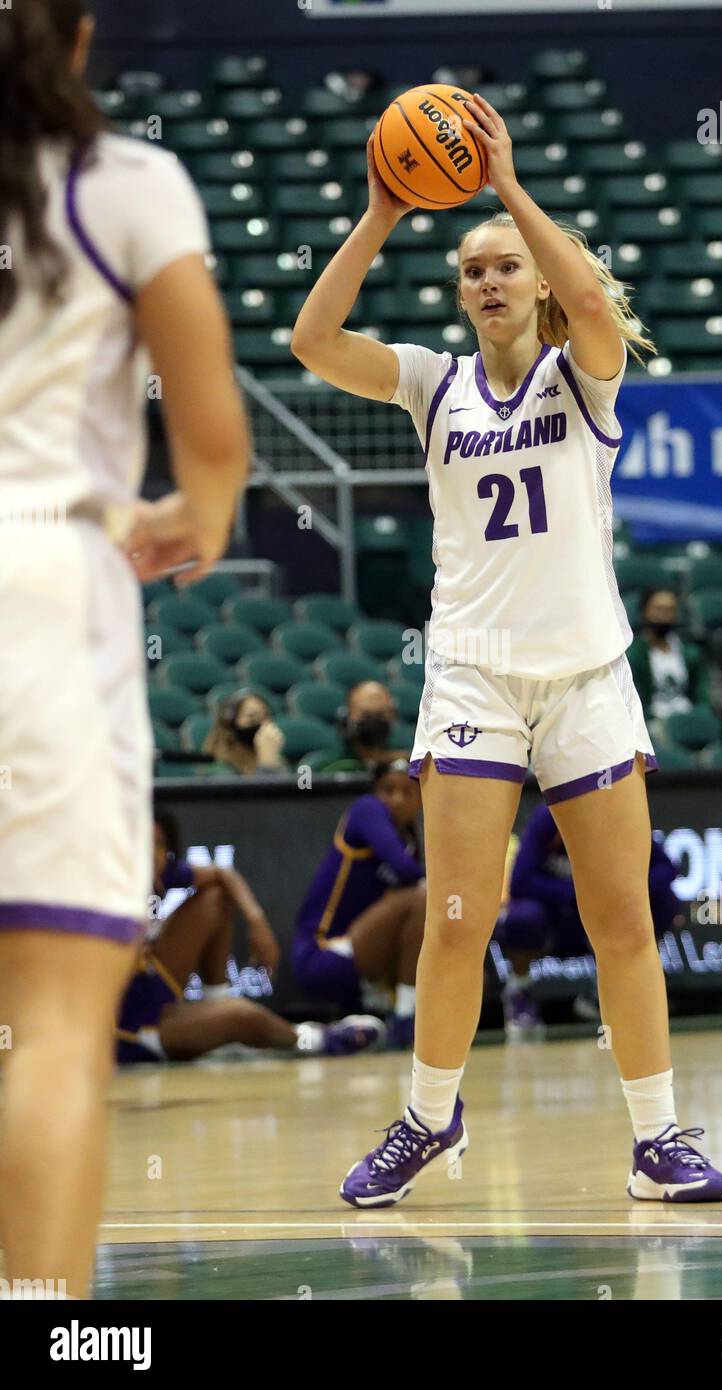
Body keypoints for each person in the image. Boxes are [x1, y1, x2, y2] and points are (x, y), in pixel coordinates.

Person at [292, 92, 722, 1208]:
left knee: (622, 918)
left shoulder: (584, 371)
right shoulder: (436, 385)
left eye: (504, 266)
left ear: (534, 280)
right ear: (460, 297)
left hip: (585, 672)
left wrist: (508, 189)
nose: (489, 281)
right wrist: (385, 211)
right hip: (476, 673)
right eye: (472, 271)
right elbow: (312, 342)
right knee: (457, 918)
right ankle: (428, 1119)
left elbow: (591, 295)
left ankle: (657, 1137)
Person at [0, 0, 249, 1297]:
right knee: (50, 1024)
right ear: (83, 38)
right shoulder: (129, 180)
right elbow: (212, 438)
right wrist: (188, 524)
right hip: (42, 568)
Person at [115, 813, 383, 1063]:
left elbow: (222, 874)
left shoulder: (160, 875)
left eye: (159, 844)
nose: (152, 853)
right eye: (143, 844)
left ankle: (216, 1014)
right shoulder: (109, 887)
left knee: (216, 898)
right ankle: (314, 1039)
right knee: (241, 1015)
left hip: (148, 990)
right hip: (133, 1030)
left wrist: (257, 921)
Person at [496, 804, 684, 1037]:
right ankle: (519, 991)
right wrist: (580, 891)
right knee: (522, 918)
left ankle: (610, 990)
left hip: (604, 919)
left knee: (664, 902)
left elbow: (667, 868)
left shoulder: (613, 811)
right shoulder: (551, 814)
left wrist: (625, 892)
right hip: (557, 918)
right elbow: (520, 882)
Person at [292, 759, 425, 1048]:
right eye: (388, 790)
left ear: (421, 798)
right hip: (321, 953)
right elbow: (404, 871)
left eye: (408, 791)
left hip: (359, 952)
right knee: (423, 898)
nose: (397, 799)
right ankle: (405, 1017)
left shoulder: (410, 839)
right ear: (376, 792)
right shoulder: (367, 809)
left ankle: (388, 1007)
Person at [626, 588, 709, 720]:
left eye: (670, 610)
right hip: (653, 721)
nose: (664, 615)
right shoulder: (634, 655)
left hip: (689, 717)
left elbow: (702, 694)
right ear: (644, 612)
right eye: (658, 609)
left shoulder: (690, 652)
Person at [318, 680, 406, 773]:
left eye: (380, 714)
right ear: (347, 718)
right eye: (366, 715)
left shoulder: (404, 765)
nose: (374, 721)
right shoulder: (328, 768)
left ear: (393, 716)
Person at [203, 689, 287, 775]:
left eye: (265, 716)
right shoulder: (217, 766)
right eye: (252, 717)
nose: (263, 725)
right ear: (230, 723)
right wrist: (267, 765)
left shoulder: (270, 752)